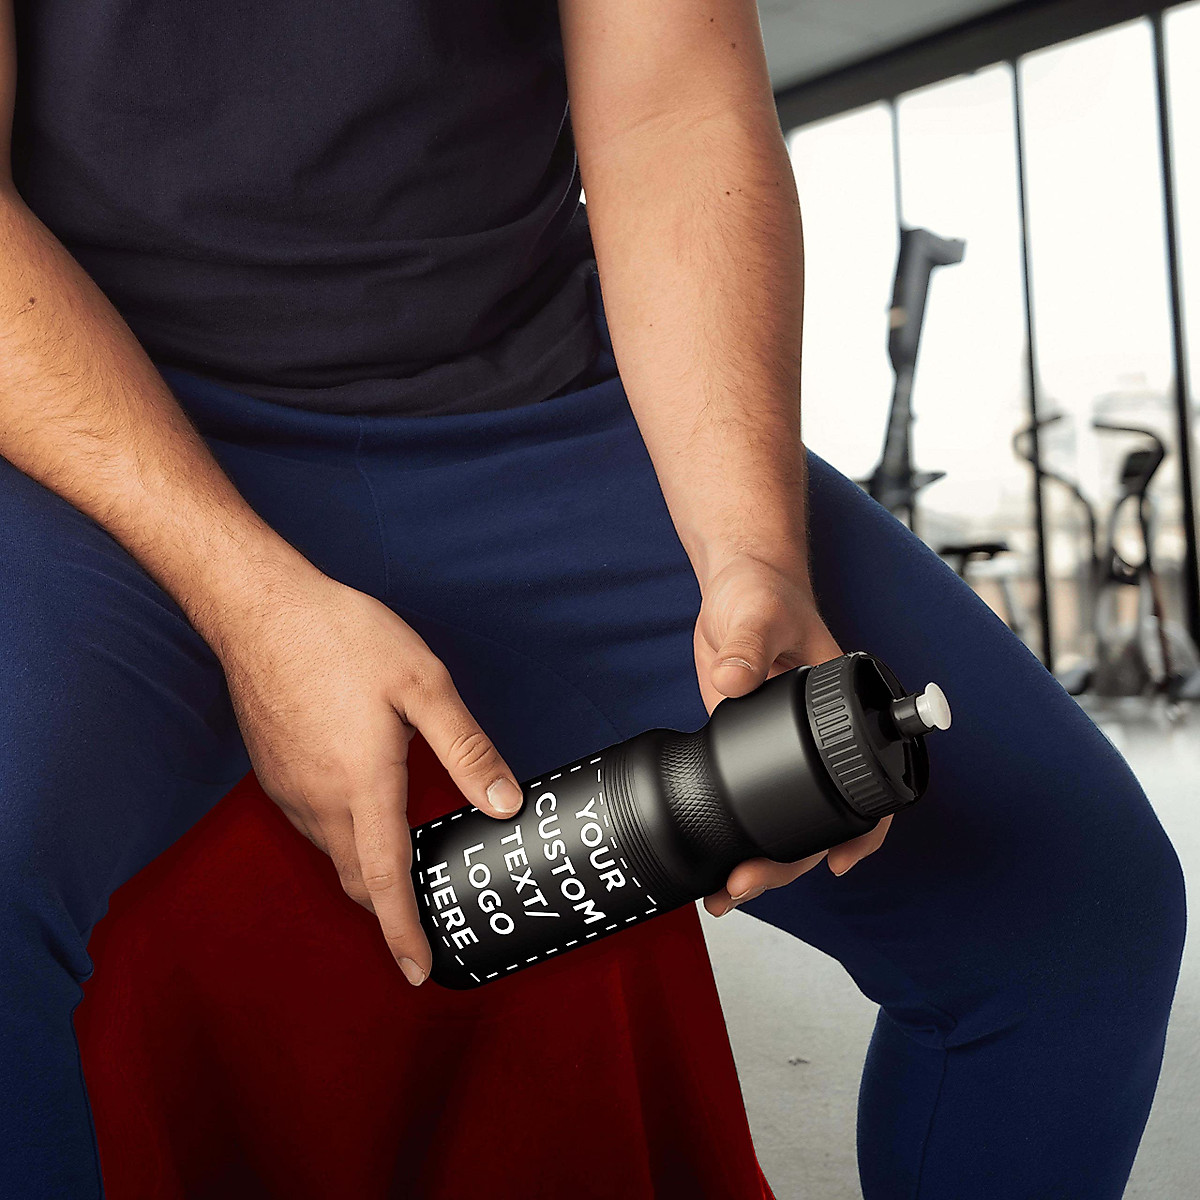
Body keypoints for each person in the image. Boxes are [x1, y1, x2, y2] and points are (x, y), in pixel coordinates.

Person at [0, 0, 1185, 1197]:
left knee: (1075, 915)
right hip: (107, 429)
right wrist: (246, 596)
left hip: (535, 408)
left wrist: (751, 554)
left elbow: (674, 112)